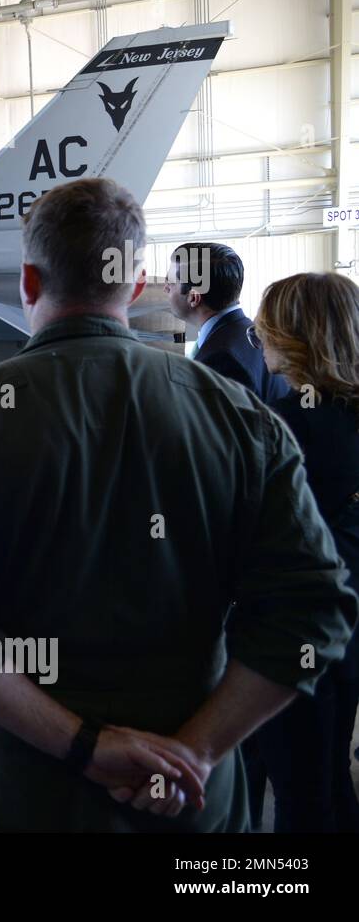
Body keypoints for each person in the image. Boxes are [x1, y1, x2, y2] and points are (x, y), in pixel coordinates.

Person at [0, 178, 359, 831]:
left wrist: (87, 746)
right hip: (188, 799)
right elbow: (313, 611)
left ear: (28, 281)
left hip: (20, 798)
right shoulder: (240, 417)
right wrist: (197, 748)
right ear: (135, 284)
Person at [166, 242, 286, 827]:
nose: (162, 289)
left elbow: (225, 475)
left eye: (170, 281)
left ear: (192, 294)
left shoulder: (222, 358)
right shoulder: (241, 338)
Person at [252, 272, 359, 832]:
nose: (256, 332)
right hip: (349, 636)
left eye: (265, 324)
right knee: (330, 776)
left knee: (300, 796)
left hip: (292, 641)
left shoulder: (278, 430)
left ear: (292, 336)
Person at [166, 242, 289, 401]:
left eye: (170, 282)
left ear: (194, 297)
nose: (166, 288)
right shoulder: (253, 334)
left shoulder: (221, 359)